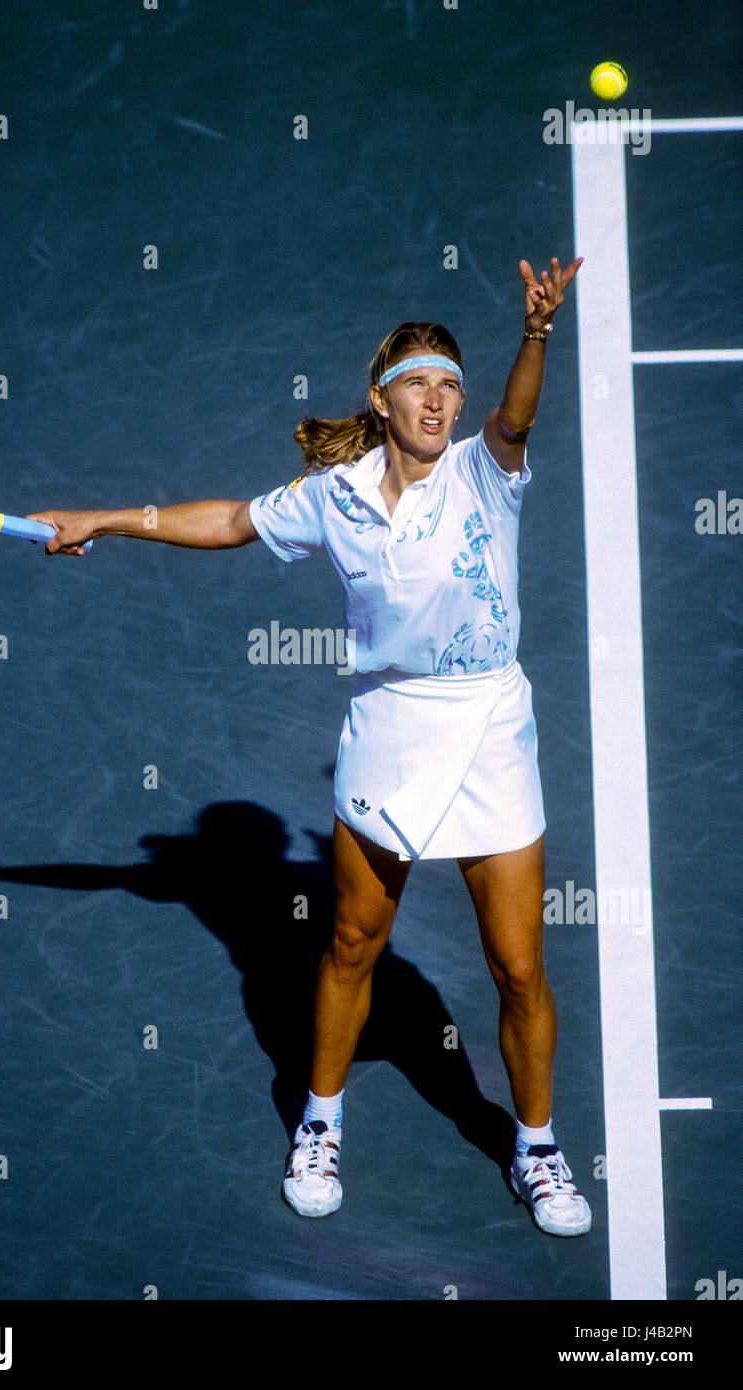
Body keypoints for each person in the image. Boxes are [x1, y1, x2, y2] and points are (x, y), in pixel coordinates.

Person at [30, 254, 591, 1237]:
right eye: (420, 379)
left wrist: (537, 332)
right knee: (348, 942)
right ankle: (321, 1124)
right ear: (381, 399)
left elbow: (519, 414)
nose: (441, 396)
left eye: (451, 382)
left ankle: (536, 1146)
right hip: (389, 728)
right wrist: (105, 520)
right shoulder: (332, 496)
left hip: (492, 727)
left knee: (517, 968)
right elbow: (231, 521)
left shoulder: (485, 469)